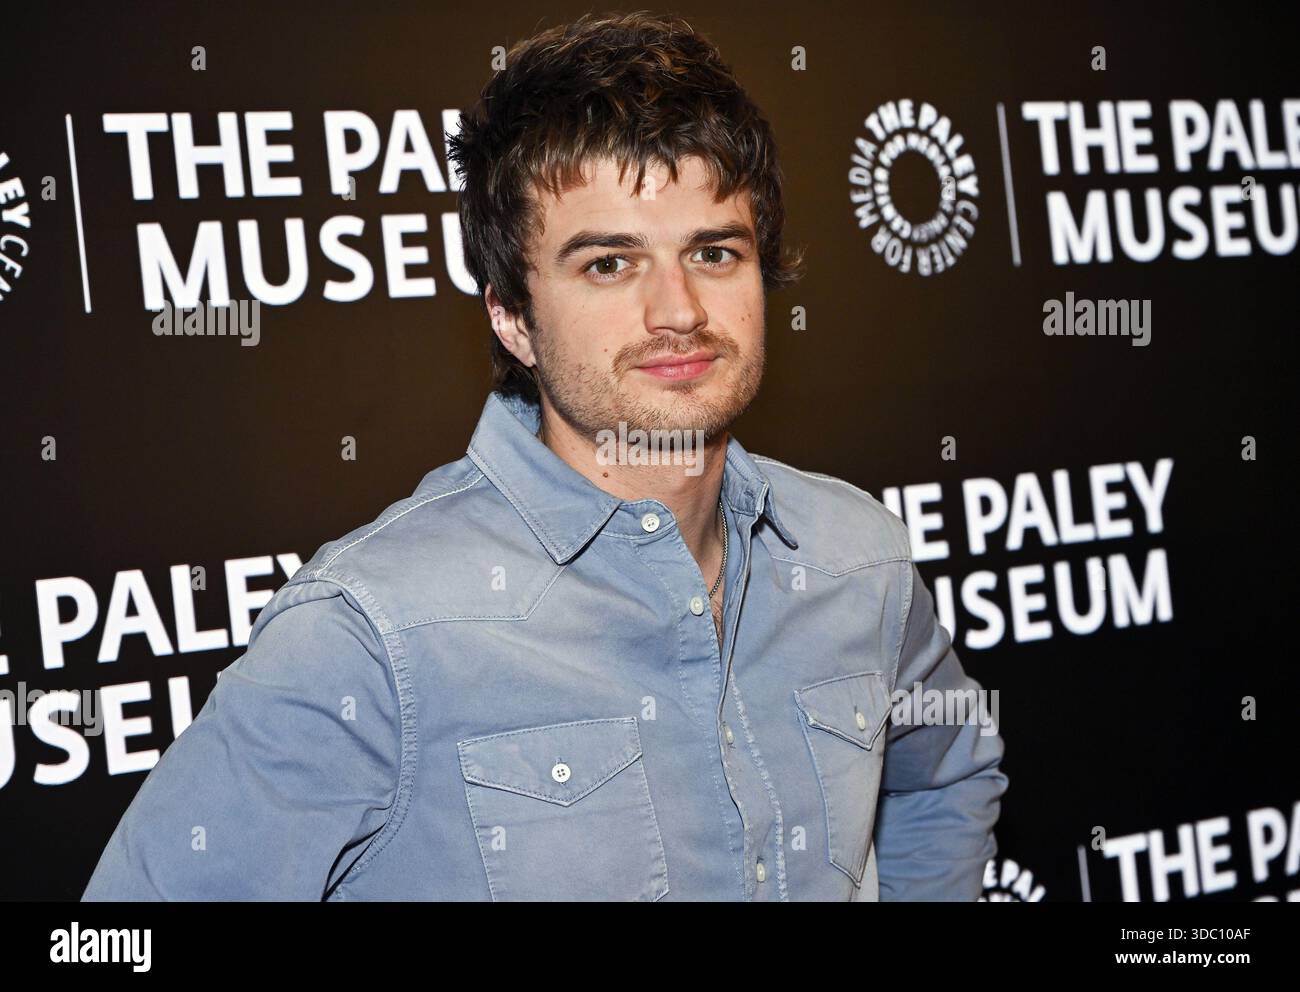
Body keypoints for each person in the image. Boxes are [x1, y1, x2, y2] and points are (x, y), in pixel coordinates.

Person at [83, 10, 1007, 902]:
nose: (678, 311)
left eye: (715, 252)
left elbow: (944, 775)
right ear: (512, 317)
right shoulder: (373, 635)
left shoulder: (861, 558)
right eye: (609, 263)